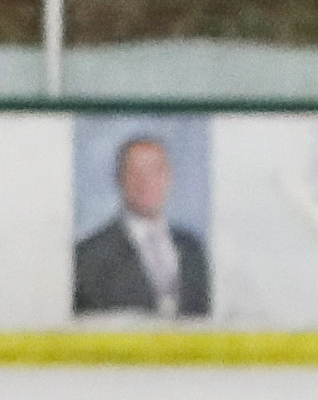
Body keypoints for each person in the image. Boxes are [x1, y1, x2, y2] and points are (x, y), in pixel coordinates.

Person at [71, 135, 212, 318]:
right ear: (119, 178)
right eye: (135, 171)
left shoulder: (193, 249)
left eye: (155, 170)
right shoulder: (88, 257)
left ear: (169, 177)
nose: (146, 181)